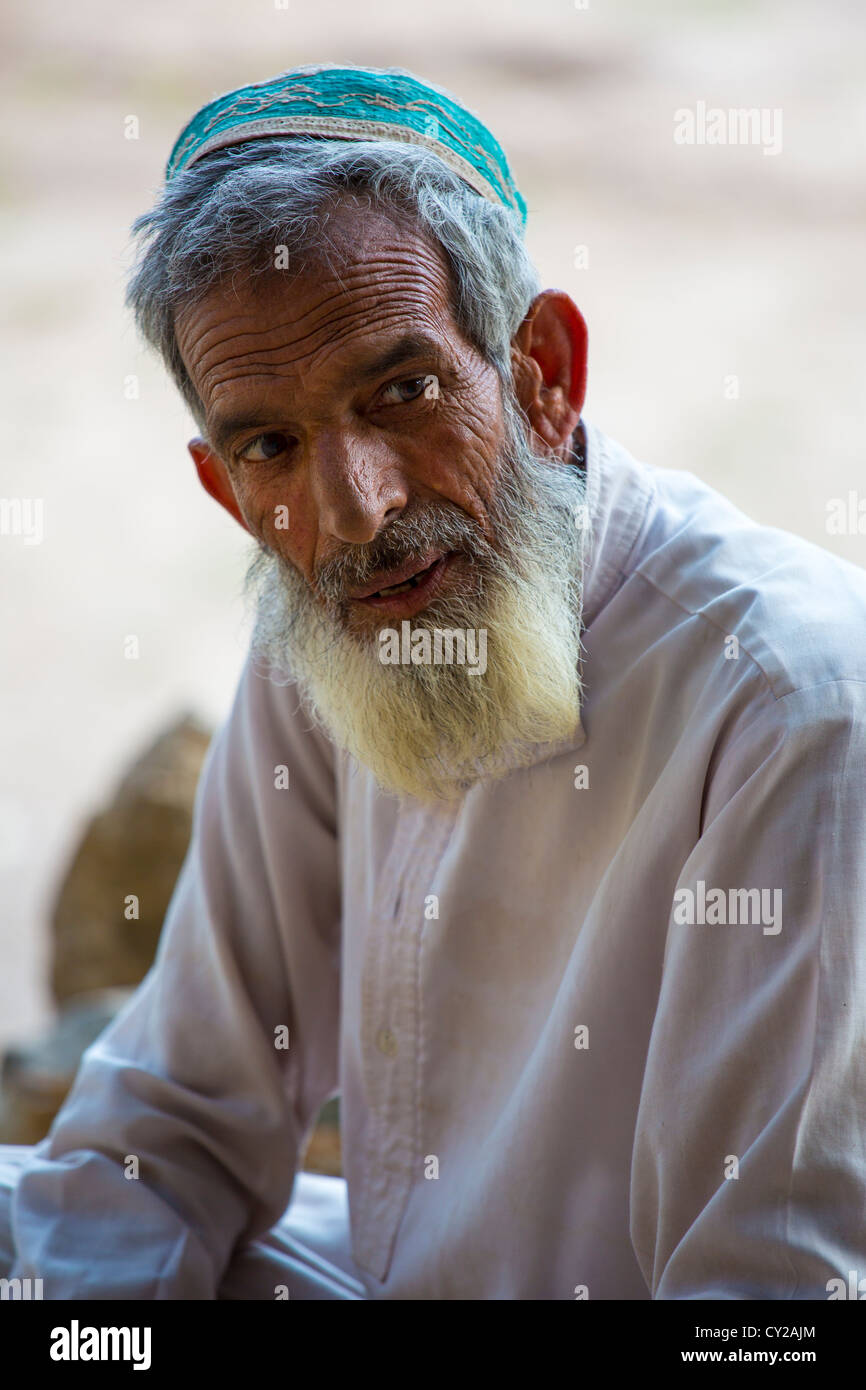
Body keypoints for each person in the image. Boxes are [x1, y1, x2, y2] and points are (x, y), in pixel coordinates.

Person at [3, 62, 865, 1301]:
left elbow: (771, 1301)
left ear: (541, 375)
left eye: (401, 392)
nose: (356, 510)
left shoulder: (784, 696)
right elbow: (178, 1119)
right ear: (228, 493)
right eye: (272, 446)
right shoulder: (327, 628)